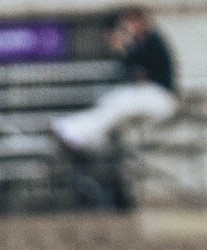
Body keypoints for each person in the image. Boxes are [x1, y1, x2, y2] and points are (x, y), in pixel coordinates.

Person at [48, 6, 179, 152]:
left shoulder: (152, 40)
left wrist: (123, 48)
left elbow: (139, 72)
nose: (127, 28)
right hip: (153, 96)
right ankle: (81, 133)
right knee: (113, 106)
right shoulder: (142, 42)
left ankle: (77, 131)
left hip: (161, 98)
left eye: (129, 23)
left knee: (119, 103)